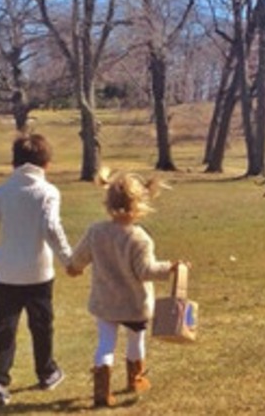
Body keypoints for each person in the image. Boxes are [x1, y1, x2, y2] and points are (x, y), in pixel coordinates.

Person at [0, 133, 73, 407]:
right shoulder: (48, 192)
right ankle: (47, 371)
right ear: (45, 163)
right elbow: (51, 228)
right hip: (38, 272)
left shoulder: (1, 191)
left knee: (4, 327)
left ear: (15, 161)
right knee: (42, 325)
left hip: (7, 273)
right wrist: (68, 258)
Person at [67, 168, 187, 407]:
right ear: (140, 204)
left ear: (108, 203)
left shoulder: (96, 232)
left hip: (105, 302)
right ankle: (135, 379)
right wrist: (170, 267)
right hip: (134, 304)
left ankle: (102, 389)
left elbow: (78, 259)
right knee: (135, 342)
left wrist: (74, 268)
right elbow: (145, 271)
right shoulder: (139, 238)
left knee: (105, 344)